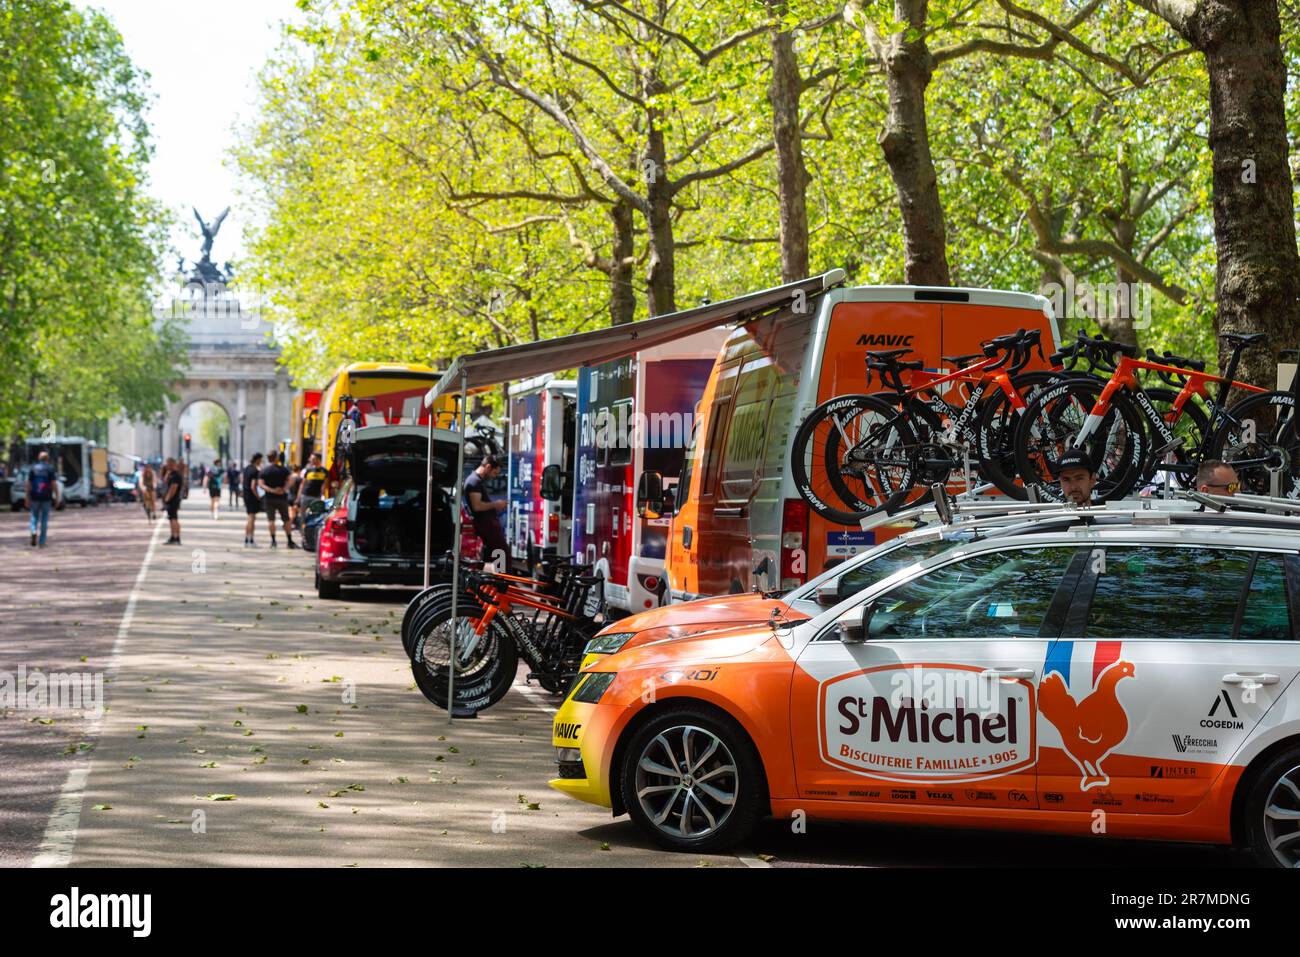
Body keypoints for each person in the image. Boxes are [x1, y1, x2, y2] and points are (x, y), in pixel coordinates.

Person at [464, 453, 508, 568]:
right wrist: (495, 505)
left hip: (488, 526)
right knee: (502, 553)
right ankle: (502, 581)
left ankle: (499, 580)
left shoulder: (476, 481)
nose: (494, 476)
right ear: (488, 467)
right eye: (494, 473)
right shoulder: (474, 482)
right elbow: (477, 506)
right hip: (486, 526)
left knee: (498, 554)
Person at [258, 450, 297, 548]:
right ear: (277, 458)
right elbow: (291, 480)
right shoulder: (283, 470)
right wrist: (284, 489)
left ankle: (273, 541)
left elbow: (261, 484)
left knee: (271, 520)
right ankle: (289, 541)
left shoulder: (264, 470)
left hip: (269, 498)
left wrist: (271, 490)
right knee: (286, 520)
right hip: (282, 498)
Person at [26, 450, 61, 547]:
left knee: (34, 516)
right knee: (44, 519)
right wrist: (57, 497)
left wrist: (27, 497)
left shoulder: (33, 468)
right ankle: (42, 542)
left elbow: (28, 484)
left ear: (39, 458)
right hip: (46, 497)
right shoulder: (50, 469)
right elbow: (54, 484)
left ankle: (33, 531)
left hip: (34, 496)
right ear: (47, 459)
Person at [298, 452, 327, 528]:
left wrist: (322, 496)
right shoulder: (308, 470)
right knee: (303, 516)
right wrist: (298, 497)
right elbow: (302, 484)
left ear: (318, 460)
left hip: (316, 497)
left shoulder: (324, 471)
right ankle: (303, 534)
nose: (311, 460)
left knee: (316, 515)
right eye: (311, 459)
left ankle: (311, 532)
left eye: (313, 459)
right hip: (305, 495)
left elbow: (324, 485)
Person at [242, 453, 264, 547]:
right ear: (258, 460)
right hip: (252, 497)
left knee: (250, 518)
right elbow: (253, 486)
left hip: (246, 496)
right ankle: (250, 540)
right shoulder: (255, 470)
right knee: (252, 518)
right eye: (261, 460)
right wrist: (258, 496)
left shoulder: (247, 468)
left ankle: (247, 539)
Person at [161, 457, 183, 544]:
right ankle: (174, 537)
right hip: (173, 499)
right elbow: (165, 481)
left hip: (173, 499)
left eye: (168, 464)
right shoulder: (172, 473)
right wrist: (167, 473)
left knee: (173, 518)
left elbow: (173, 487)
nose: (167, 466)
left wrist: (167, 498)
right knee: (172, 518)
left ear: (172, 464)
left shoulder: (176, 475)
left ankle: (175, 537)